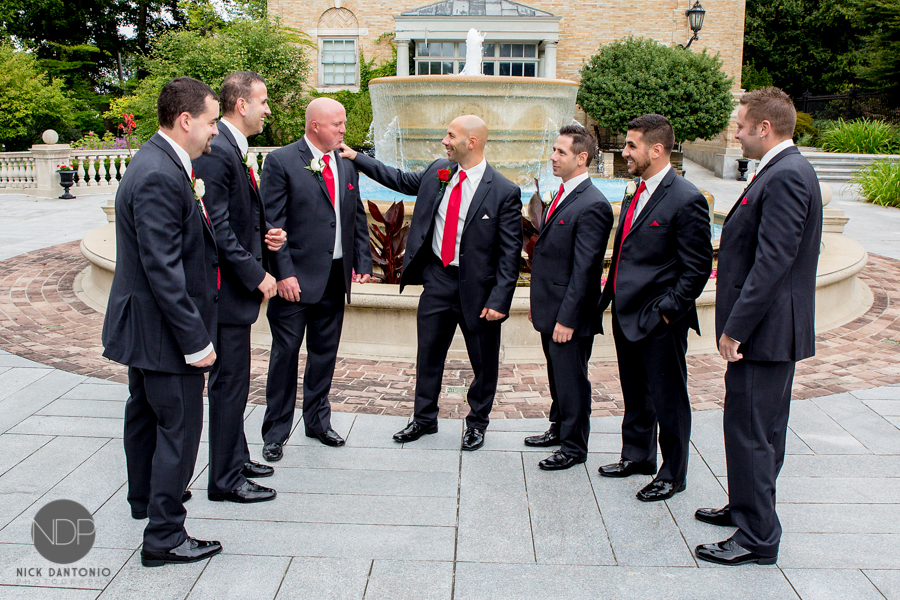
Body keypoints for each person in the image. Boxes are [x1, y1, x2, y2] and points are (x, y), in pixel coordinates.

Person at [340, 115, 522, 451]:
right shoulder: (439, 171)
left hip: (478, 291)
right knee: (428, 356)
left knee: (484, 362)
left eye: (450, 136)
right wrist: (356, 157)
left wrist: (499, 300)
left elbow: (510, 253)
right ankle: (424, 419)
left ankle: (477, 423)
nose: (444, 141)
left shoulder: (504, 191)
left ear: (471, 142)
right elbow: (398, 179)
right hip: (438, 280)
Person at [695, 87, 822, 566]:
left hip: (764, 333)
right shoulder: (783, 169)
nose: (737, 133)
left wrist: (736, 329)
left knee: (750, 430)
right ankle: (746, 506)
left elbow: (772, 262)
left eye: (741, 126)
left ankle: (757, 537)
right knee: (761, 429)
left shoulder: (786, 174)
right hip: (772, 330)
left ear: (763, 128)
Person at [101, 76, 223, 567]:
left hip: (147, 327)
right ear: (186, 120)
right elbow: (162, 268)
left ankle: (146, 499)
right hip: (163, 332)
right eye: (211, 122)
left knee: (146, 416)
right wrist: (196, 341)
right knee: (179, 427)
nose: (215, 131)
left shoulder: (158, 160)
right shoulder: (158, 173)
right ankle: (165, 536)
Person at [597, 114, 712, 501]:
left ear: (657, 150)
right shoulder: (635, 190)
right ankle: (637, 456)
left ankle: (673, 474)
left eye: (632, 145)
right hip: (626, 312)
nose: (624, 152)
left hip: (660, 319)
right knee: (634, 391)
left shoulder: (687, 198)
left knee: (669, 398)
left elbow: (697, 268)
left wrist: (667, 310)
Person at [260, 97, 373, 461]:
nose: (343, 130)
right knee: (285, 357)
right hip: (294, 282)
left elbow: (355, 216)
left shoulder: (346, 162)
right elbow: (272, 223)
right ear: (314, 126)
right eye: (337, 124)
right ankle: (275, 433)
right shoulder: (280, 161)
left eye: (343, 123)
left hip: (334, 278)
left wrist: (363, 261)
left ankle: (318, 423)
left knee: (324, 354)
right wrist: (284, 274)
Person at [192, 71, 285, 503]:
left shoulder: (234, 147)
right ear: (242, 105)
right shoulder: (218, 152)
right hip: (225, 294)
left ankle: (238, 456)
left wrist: (265, 239)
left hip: (233, 291)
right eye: (263, 101)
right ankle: (225, 480)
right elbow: (217, 226)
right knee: (229, 385)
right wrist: (256, 273)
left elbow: (238, 217)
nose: (268, 110)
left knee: (236, 383)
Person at [525, 124, 613, 469]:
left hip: (569, 316)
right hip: (551, 309)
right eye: (554, 150)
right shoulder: (563, 194)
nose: (553, 157)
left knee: (572, 380)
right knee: (557, 375)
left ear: (581, 158)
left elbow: (585, 270)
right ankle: (559, 428)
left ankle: (574, 448)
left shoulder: (594, 204)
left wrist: (567, 319)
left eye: (560, 152)